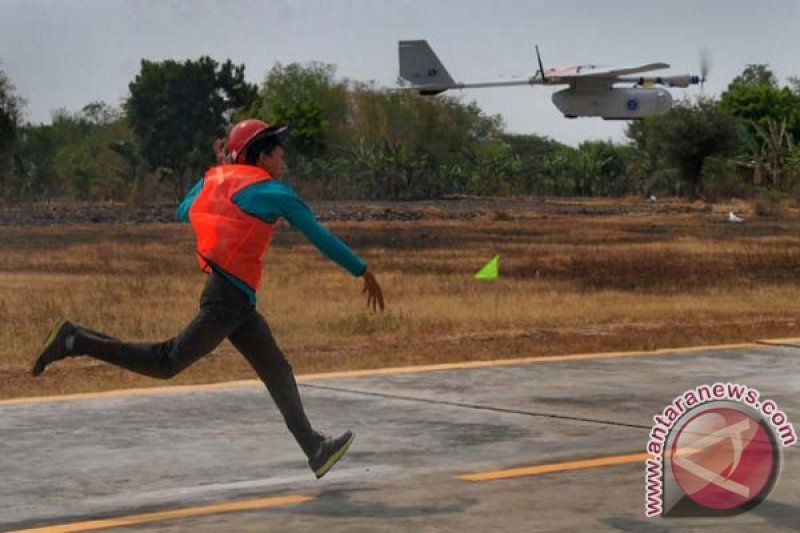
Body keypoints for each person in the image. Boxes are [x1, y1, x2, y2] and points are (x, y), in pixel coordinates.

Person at [31, 118, 385, 479]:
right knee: (166, 362)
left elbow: (184, 208)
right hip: (226, 301)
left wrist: (220, 171)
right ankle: (74, 340)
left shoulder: (216, 182)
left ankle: (315, 449)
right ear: (262, 158)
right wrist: (361, 270)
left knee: (277, 370)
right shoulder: (273, 192)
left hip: (235, 299)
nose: (284, 160)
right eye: (279, 154)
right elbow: (319, 236)